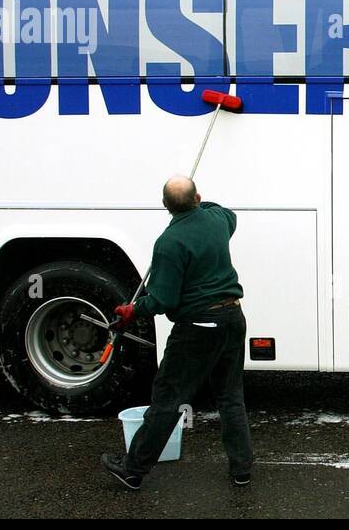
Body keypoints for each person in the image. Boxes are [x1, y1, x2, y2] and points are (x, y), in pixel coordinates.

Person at [101, 176, 253, 489]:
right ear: (198, 197)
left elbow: (162, 300)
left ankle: (133, 469)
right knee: (230, 396)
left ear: (165, 206)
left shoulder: (169, 243)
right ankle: (241, 469)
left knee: (168, 399)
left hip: (197, 327)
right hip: (232, 318)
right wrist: (199, 202)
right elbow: (226, 212)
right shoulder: (216, 221)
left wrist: (133, 310)